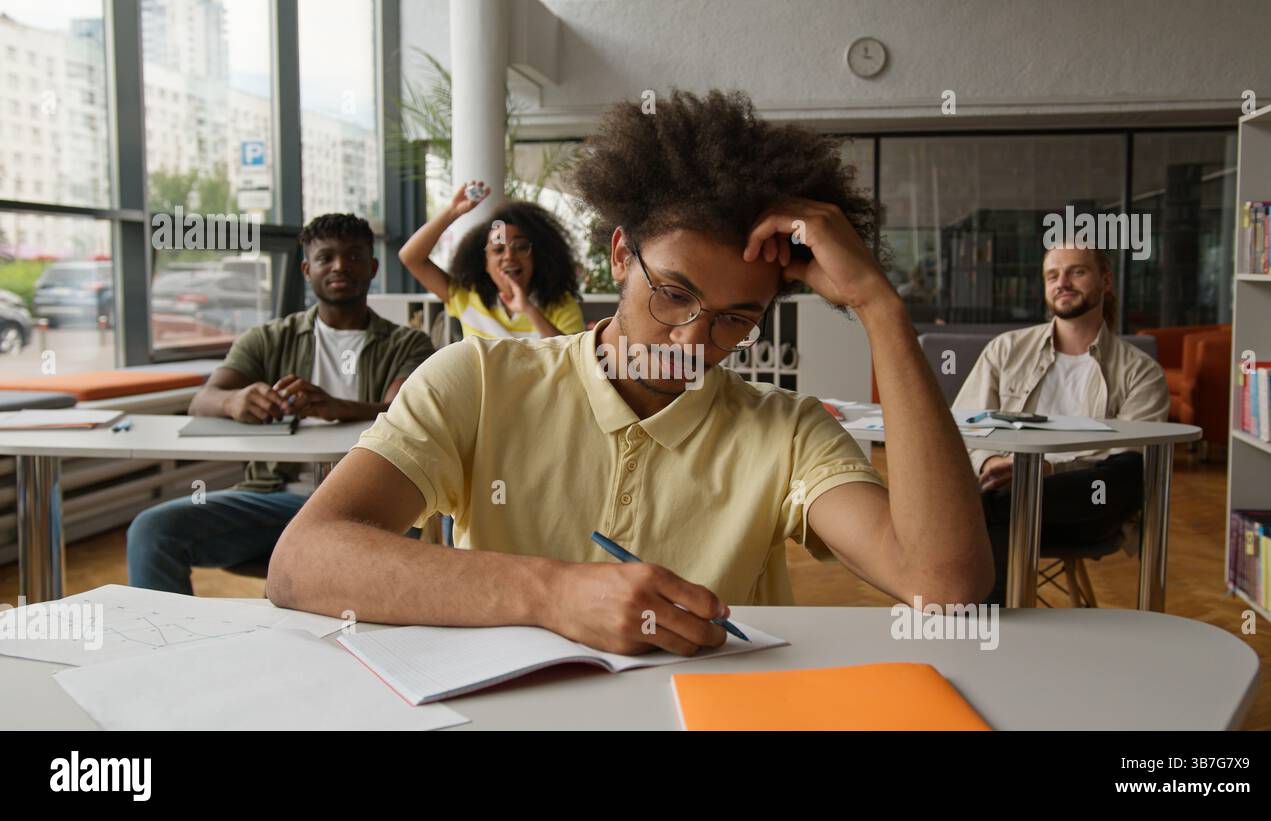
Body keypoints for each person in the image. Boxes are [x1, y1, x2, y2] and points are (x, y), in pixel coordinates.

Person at [268, 89, 992, 656]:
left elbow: (945, 585)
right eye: (674, 293)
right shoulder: (479, 380)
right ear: (619, 255)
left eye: (737, 318)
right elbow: (304, 561)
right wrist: (553, 593)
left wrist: (880, 307)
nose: (694, 337)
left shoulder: (786, 431)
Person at [126, 214, 435, 594]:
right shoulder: (267, 339)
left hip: (369, 503)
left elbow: (399, 412)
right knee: (153, 530)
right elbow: (203, 401)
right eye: (326, 258)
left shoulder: (409, 344)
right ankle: (164, 653)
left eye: (353, 257)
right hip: (276, 499)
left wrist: (336, 406)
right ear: (307, 269)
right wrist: (236, 401)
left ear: (371, 267)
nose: (340, 266)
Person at [953, 245, 1169, 605]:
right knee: (999, 501)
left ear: (1106, 281)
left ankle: (989, 629)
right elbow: (961, 428)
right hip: (1006, 494)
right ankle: (1002, 621)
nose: (1062, 283)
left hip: (1085, 505)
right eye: (1053, 276)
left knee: (1130, 468)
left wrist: (1049, 470)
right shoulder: (1004, 350)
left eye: (1077, 272)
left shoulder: (1141, 371)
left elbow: (1131, 460)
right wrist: (990, 464)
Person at [399, 185, 585, 338]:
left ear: (538, 256)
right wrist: (453, 211)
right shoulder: (467, 297)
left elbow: (572, 359)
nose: (509, 256)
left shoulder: (561, 305)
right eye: (498, 250)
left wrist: (528, 310)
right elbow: (411, 257)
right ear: (484, 263)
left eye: (520, 247)